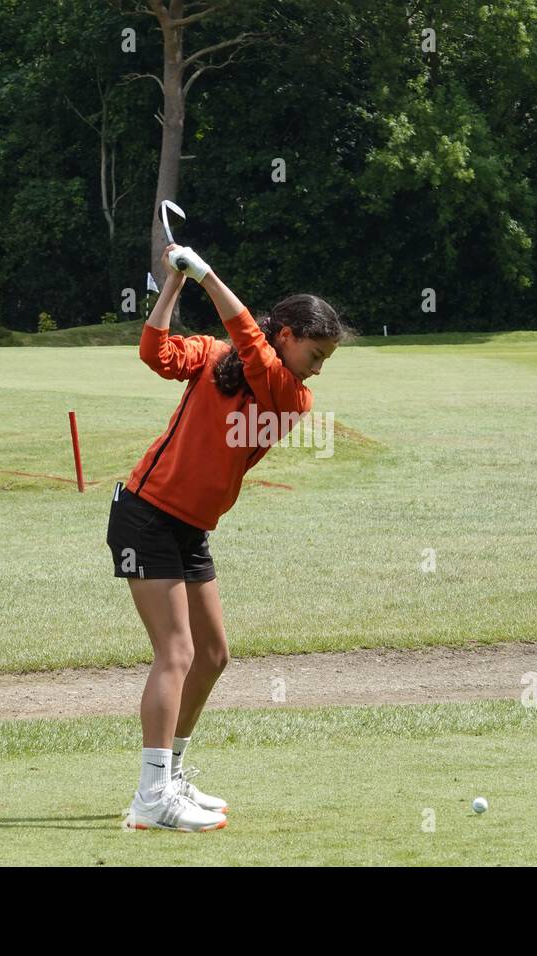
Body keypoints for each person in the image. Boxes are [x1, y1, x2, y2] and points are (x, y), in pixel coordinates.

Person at [109, 241, 353, 831]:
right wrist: (175, 281)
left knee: (213, 655)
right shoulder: (213, 354)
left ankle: (171, 777)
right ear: (288, 333)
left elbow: (254, 350)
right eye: (316, 353)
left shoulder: (291, 395)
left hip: (189, 527)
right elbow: (155, 352)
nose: (319, 368)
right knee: (178, 653)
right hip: (146, 514)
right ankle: (150, 797)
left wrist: (206, 276)